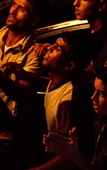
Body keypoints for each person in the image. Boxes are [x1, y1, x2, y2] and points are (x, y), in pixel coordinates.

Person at [0, 0, 48, 118]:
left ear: (34, 21)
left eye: (22, 9)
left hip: (5, 122)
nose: (13, 11)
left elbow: (21, 95)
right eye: (14, 4)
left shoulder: (34, 53)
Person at [37, 34, 95, 169]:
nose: (48, 48)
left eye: (57, 49)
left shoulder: (67, 100)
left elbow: (67, 154)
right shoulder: (56, 81)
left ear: (69, 66)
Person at [43, 72, 107, 169]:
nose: (93, 97)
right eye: (94, 90)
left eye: (101, 94)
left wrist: (75, 156)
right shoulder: (100, 118)